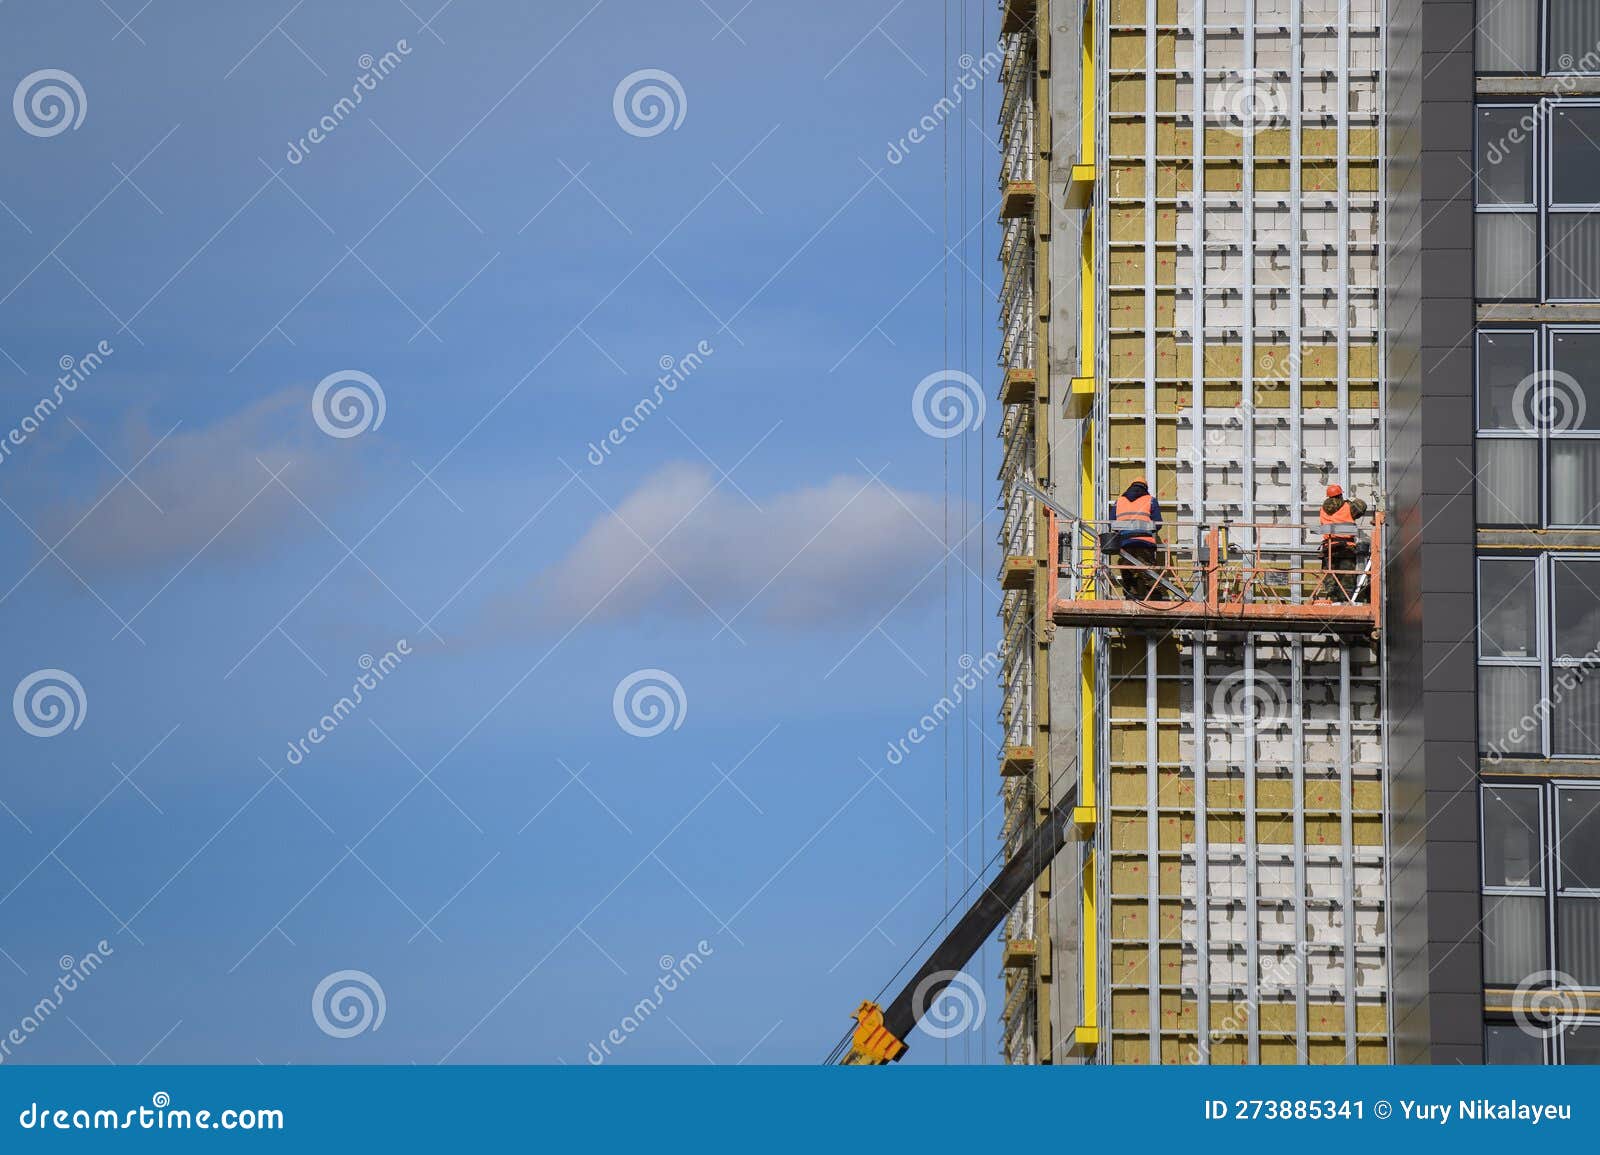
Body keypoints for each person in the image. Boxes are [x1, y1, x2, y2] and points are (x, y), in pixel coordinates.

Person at [1316, 483, 1370, 602]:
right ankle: (1345, 603)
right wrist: (1350, 500)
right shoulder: (1348, 507)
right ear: (1340, 495)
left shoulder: (1322, 509)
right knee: (1346, 581)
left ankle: (1333, 602)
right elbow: (1362, 506)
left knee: (1330, 581)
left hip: (1329, 549)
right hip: (1346, 549)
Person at [1110, 476, 1163, 598]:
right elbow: (1158, 523)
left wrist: (1124, 531)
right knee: (1148, 570)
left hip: (1125, 543)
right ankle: (1155, 597)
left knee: (1127, 568)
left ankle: (1131, 595)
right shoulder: (1150, 500)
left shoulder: (1119, 501)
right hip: (1144, 543)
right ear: (1145, 487)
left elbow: (1112, 522)